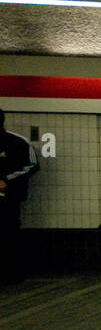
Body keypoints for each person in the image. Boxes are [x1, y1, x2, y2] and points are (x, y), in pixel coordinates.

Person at [0, 109, 40, 286]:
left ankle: (12, 273)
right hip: (10, 197)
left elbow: (32, 165)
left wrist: (7, 180)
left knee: (9, 234)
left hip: (8, 198)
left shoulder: (16, 142)